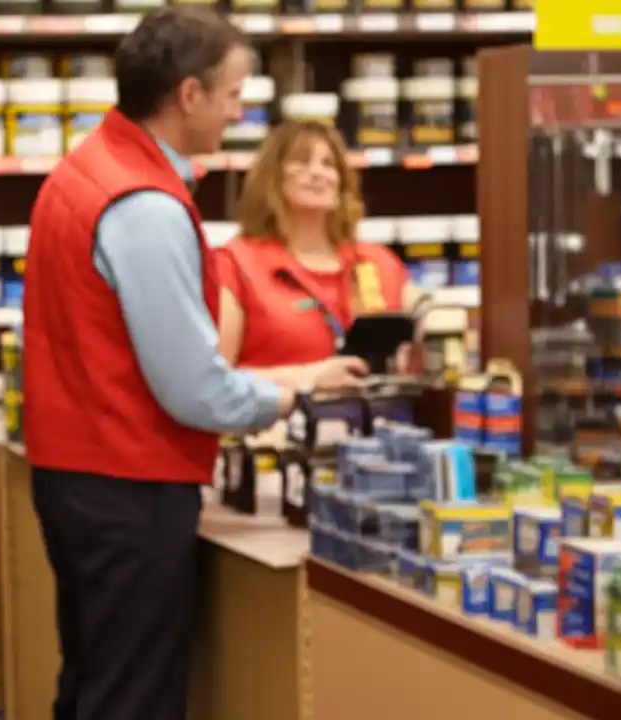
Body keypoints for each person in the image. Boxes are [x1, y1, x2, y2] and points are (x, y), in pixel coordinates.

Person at [21, 8, 366, 720]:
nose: (241, 111)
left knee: (93, 685)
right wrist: (294, 399)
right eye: (235, 93)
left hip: (79, 477)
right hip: (130, 488)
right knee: (133, 701)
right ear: (189, 96)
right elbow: (194, 389)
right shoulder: (142, 203)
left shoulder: (87, 169)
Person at [217, 120, 428, 371]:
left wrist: (423, 346)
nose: (318, 173)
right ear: (272, 176)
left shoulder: (377, 261)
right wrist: (311, 379)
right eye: (302, 161)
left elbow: (431, 316)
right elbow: (218, 384)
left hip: (381, 410)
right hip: (281, 411)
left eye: (329, 164)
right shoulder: (237, 263)